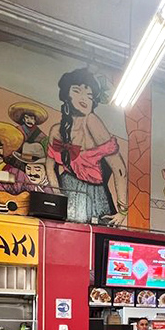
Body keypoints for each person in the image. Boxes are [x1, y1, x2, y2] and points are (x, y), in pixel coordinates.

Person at [47, 67, 128, 226]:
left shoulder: (91, 121)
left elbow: (119, 168)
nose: (84, 98)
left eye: (89, 95)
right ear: (66, 95)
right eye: (77, 91)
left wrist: (123, 210)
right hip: (68, 190)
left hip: (94, 195)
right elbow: (50, 167)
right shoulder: (56, 130)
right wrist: (58, 195)